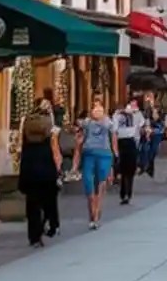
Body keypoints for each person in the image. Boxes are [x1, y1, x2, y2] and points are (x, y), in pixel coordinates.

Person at [18, 107, 62, 247]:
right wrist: (58, 168)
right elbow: (54, 150)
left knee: (32, 204)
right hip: (46, 168)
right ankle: (48, 225)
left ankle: (34, 236)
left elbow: (22, 148)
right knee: (48, 201)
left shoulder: (27, 128)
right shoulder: (48, 129)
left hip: (30, 168)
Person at [71, 101, 117, 230]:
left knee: (101, 185)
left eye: (99, 108)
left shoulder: (109, 123)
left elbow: (113, 140)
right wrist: (75, 164)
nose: (96, 110)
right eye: (94, 108)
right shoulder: (86, 124)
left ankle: (96, 213)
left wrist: (113, 163)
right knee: (88, 185)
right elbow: (78, 142)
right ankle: (92, 211)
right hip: (89, 155)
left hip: (104, 155)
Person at [114, 98, 146, 205]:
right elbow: (114, 132)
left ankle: (128, 193)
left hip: (132, 141)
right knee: (124, 171)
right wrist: (115, 149)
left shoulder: (135, 114)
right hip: (122, 141)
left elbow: (141, 124)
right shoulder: (117, 117)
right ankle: (124, 193)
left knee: (130, 171)